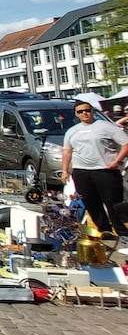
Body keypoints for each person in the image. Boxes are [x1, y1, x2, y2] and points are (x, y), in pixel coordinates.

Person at [60, 100, 128, 236]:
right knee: (90, 202)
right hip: (81, 171)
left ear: (93, 112)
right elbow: (67, 151)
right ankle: (105, 231)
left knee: (113, 203)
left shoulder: (106, 126)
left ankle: (122, 232)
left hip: (105, 171)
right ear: (76, 114)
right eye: (80, 111)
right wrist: (65, 171)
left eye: (87, 110)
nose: (84, 113)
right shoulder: (72, 131)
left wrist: (117, 161)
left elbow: (125, 143)